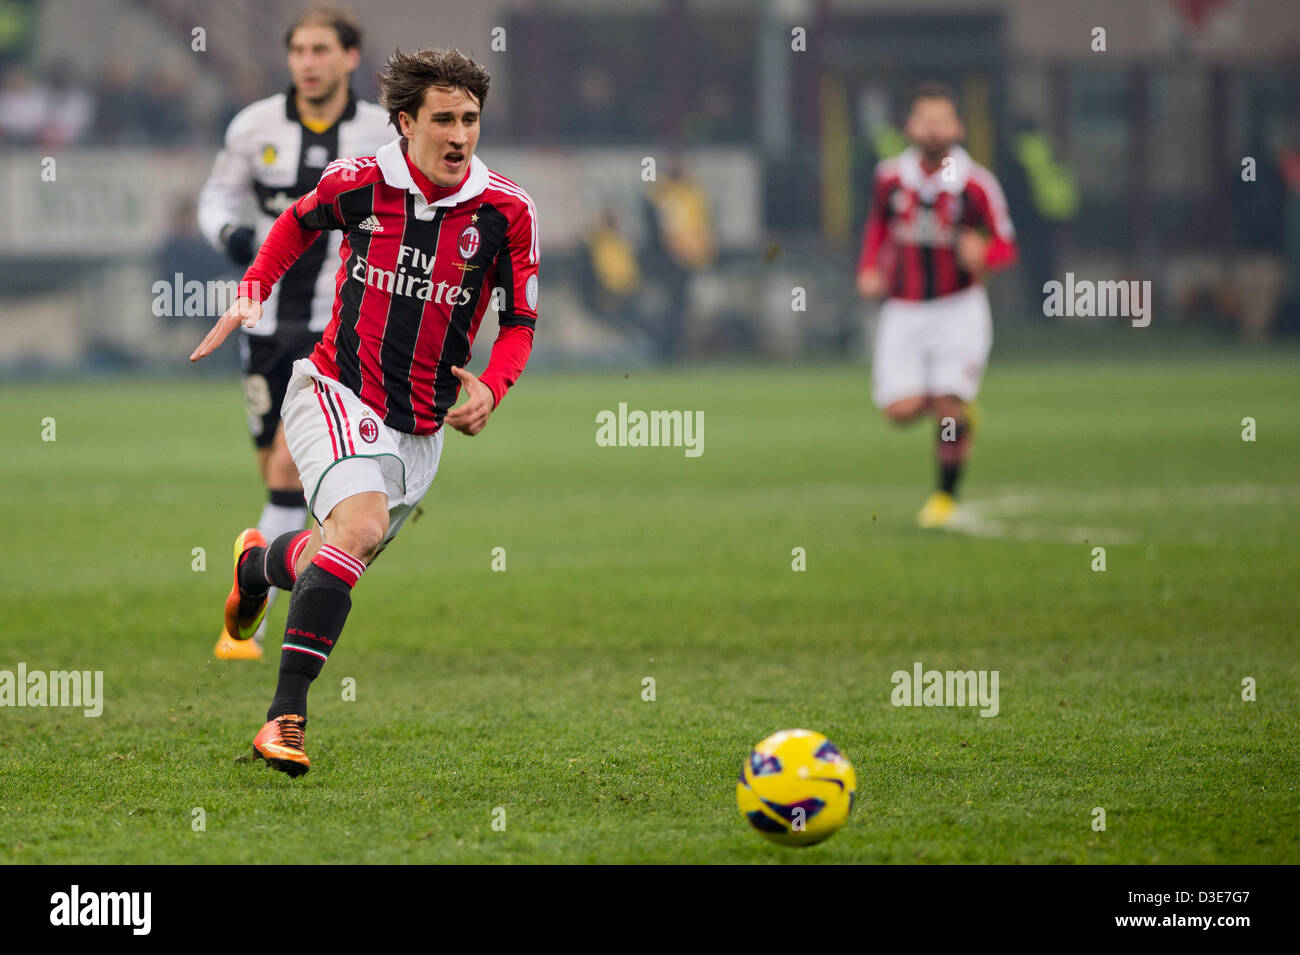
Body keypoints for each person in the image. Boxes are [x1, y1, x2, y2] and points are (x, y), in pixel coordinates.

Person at [190, 47, 539, 777]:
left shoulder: (507, 211)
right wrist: (254, 288)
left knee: (335, 553)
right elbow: (295, 225)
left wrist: (493, 388)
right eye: (442, 119)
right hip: (335, 389)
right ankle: (284, 718)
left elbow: (518, 324)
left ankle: (256, 566)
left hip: (421, 426)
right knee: (360, 526)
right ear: (406, 122)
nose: (459, 135)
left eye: (470, 119)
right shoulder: (362, 182)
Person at [197, 3, 391, 659]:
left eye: (321, 50)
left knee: (289, 470)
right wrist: (231, 234)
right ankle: (257, 579)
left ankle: (266, 622)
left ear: (348, 58)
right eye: (299, 51)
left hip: (341, 329)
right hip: (266, 327)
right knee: (275, 477)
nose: (308, 62)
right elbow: (217, 197)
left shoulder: (378, 131)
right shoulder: (255, 126)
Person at [856, 83, 1017, 528]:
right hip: (904, 310)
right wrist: (868, 268)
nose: (932, 129)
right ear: (909, 126)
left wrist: (986, 255)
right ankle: (961, 411)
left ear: (957, 127)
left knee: (946, 410)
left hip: (957, 309)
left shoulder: (976, 184)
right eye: (924, 120)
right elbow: (876, 228)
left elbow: (1006, 244)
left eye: (941, 120)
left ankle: (944, 497)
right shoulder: (890, 177)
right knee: (899, 411)